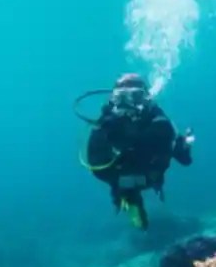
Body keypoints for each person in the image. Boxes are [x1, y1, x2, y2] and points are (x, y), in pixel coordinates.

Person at [83, 73, 194, 230]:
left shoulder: (159, 122)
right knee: (126, 194)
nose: (127, 103)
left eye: (134, 96)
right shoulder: (105, 125)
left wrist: (184, 145)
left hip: (150, 176)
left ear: (145, 98)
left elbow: (184, 159)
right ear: (113, 98)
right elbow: (96, 166)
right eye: (121, 97)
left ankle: (131, 200)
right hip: (121, 177)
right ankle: (129, 200)